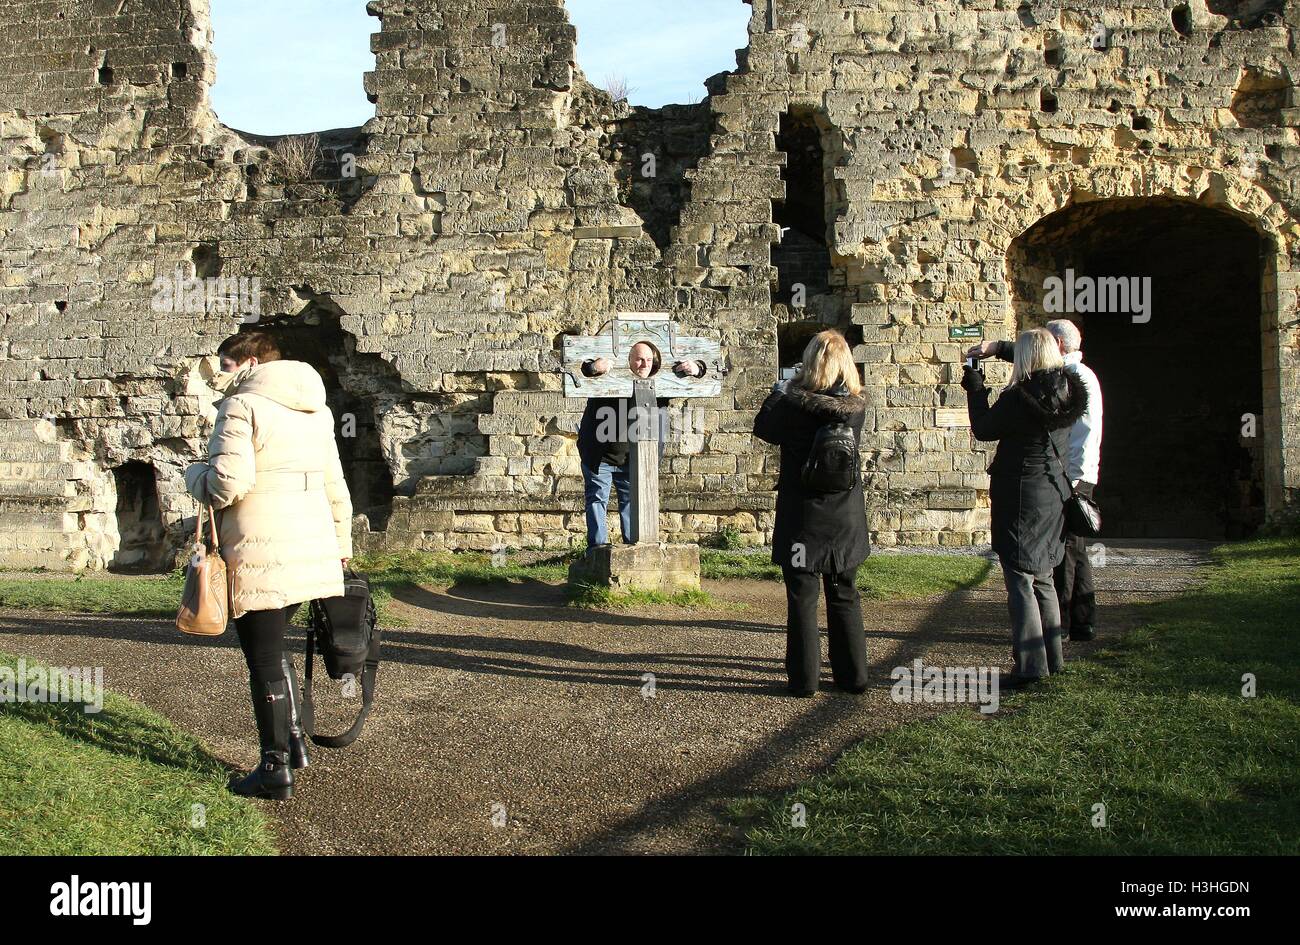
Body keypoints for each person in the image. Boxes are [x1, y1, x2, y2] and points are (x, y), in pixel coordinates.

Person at [184, 331, 353, 800]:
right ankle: (294, 743)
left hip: (261, 547)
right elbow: (335, 483)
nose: (220, 377)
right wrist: (342, 545)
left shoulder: (241, 406)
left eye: (224, 366)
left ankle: (273, 767)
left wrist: (193, 474)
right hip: (309, 544)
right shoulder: (316, 409)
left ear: (251, 362)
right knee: (275, 649)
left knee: (262, 659)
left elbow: (226, 485)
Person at [963, 328, 1087, 686]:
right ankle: (1053, 657)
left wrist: (975, 388)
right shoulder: (1067, 388)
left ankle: (1030, 666)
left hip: (1021, 495)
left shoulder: (1020, 399)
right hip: (1054, 493)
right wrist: (998, 348)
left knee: (1019, 579)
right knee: (1044, 576)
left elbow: (984, 428)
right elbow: (1034, 356)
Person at [753, 330, 870, 697]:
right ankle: (853, 678)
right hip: (844, 518)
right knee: (844, 595)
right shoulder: (857, 407)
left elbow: (764, 429)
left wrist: (778, 391)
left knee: (802, 598)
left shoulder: (793, 406)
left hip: (803, 516)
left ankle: (804, 681)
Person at [576, 341, 705, 547]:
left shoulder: (662, 383)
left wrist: (697, 369)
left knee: (632, 505)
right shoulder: (606, 378)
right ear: (627, 359)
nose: (644, 364)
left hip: (636, 458)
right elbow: (580, 368)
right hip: (600, 456)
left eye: (648, 359)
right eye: (638, 359)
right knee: (597, 500)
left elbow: (705, 372)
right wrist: (594, 368)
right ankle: (596, 553)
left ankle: (633, 550)